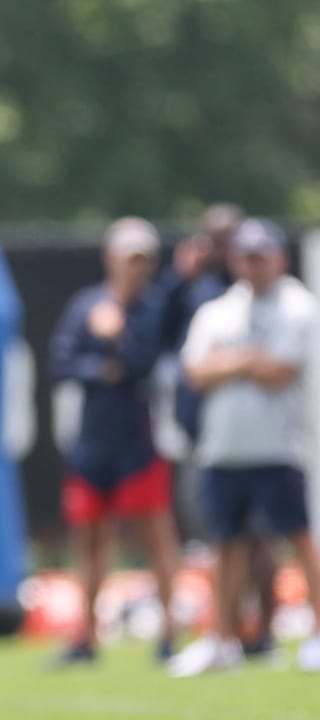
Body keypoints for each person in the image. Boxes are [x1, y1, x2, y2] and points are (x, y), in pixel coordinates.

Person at [168, 218, 320, 677]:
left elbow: (280, 371)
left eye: (261, 256)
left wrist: (227, 363)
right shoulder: (218, 310)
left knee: (298, 539)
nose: (253, 266)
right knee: (226, 544)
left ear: (279, 258)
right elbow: (195, 372)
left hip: (279, 446)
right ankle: (222, 640)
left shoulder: (298, 306)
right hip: (223, 448)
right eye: (245, 257)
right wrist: (248, 359)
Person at [47, 217, 181, 666]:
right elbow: (62, 361)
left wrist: (115, 334)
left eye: (143, 260)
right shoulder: (87, 304)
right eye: (129, 259)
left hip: (138, 439)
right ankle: (84, 637)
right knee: (88, 540)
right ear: (111, 259)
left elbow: (144, 361)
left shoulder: (157, 306)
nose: (136, 269)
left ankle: (169, 632)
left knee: (153, 535)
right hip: (92, 438)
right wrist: (101, 368)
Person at [159, 203, 280, 657]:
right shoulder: (199, 292)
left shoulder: (257, 296)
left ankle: (262, 632)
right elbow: (181, 356)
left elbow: (269, 364)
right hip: (206, 435)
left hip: (260, 435)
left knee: (261, 536)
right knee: (223, 536)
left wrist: (226, 365)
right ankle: (227, 632)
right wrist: (178, 280)